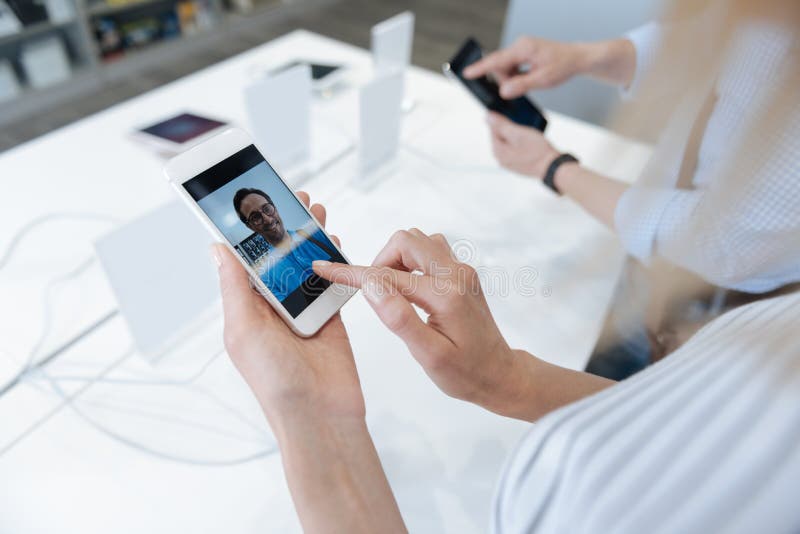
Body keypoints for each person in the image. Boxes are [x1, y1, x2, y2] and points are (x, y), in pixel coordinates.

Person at [463, 1, 800, 379]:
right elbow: (719, 44)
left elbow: (718, 242)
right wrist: (581, 58)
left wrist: (551, 167)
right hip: (652, 247)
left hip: (721, 309)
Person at [233, 188, 334, 302]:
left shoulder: (316, 235)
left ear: (275, 208)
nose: (267, 219)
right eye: (255, 217)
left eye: (267, 209)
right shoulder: (266, 278)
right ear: (250, 226)